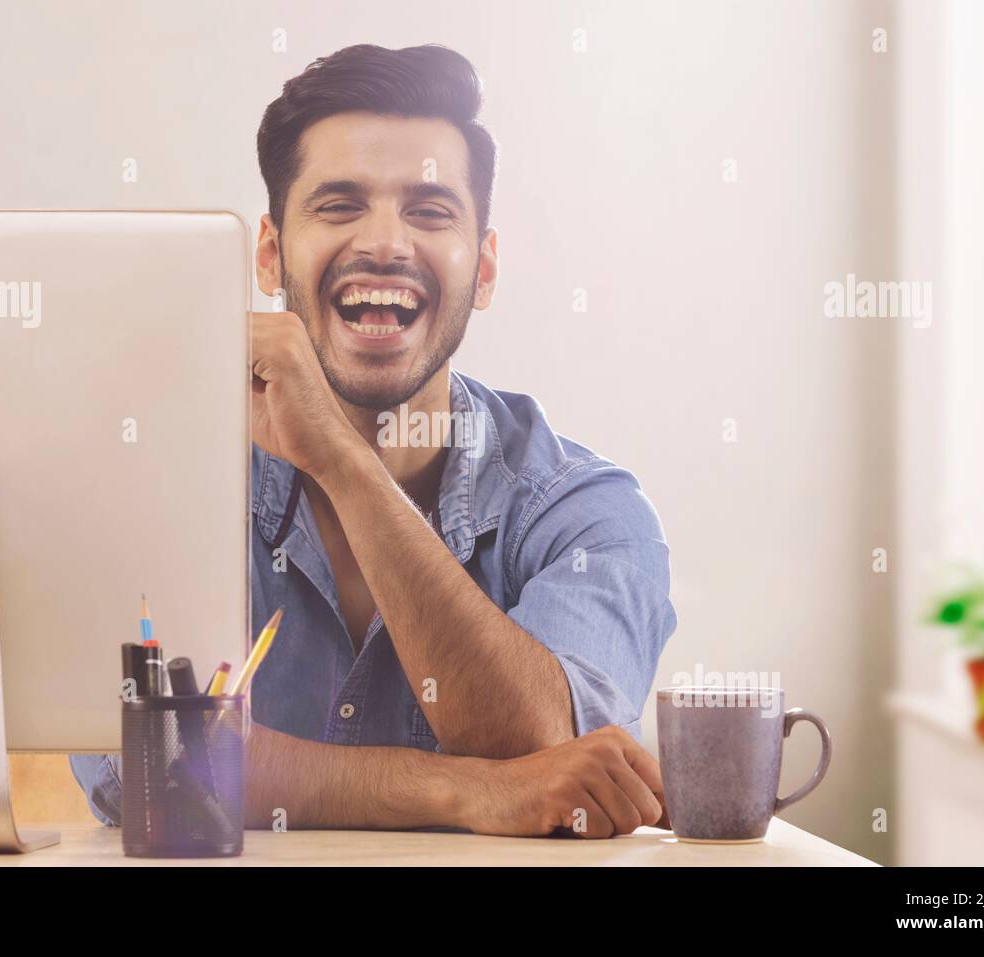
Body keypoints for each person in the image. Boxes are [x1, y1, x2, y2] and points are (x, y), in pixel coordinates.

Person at [72, 43, 677, 839]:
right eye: (339, 204)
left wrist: (342, 461)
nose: (386, 243)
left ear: (484, 268)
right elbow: (141, 759)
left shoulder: (589, 514)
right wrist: (461, 791)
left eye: (430, 211)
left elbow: (550, 751)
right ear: (268, 253)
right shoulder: (158, 485)